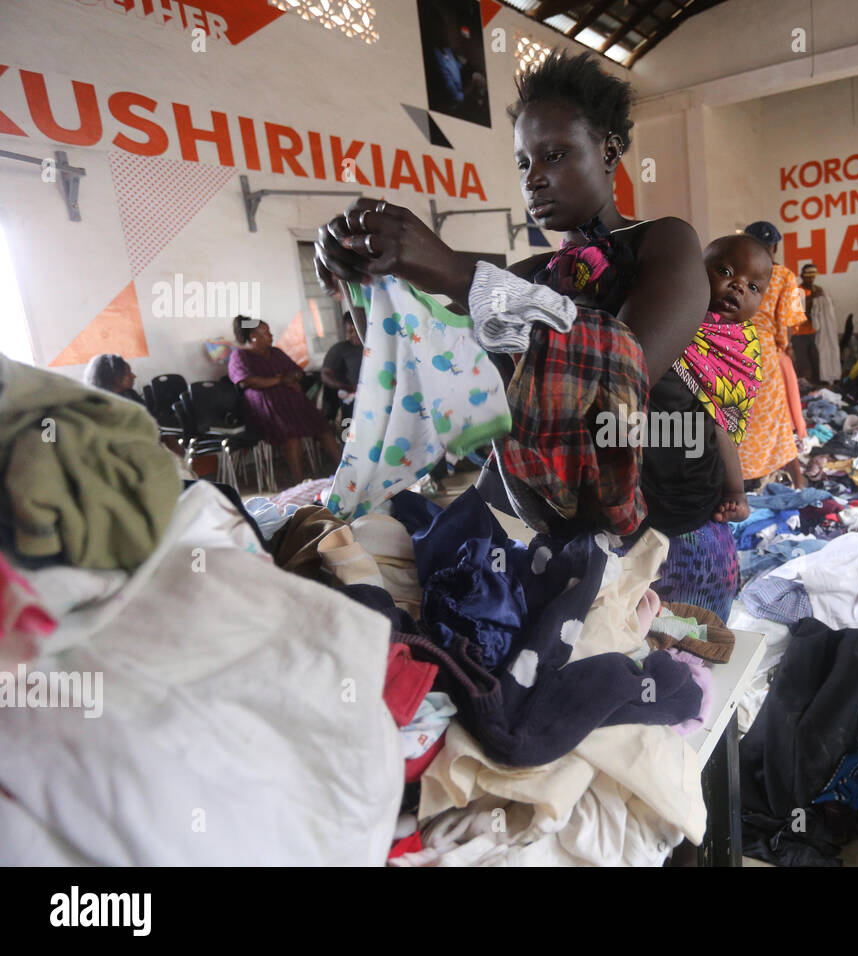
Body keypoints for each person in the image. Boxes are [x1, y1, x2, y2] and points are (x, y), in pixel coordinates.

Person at [313, 51, 742, 619]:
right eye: (522, 162)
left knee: (694, 687)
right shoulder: (526, 278)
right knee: (600, 685)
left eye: (555, 154)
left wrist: (455, 271)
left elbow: (624, 366)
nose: (533, 176)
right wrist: (367, 284)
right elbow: (427, 378)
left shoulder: (664, 243)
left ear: (610, 149)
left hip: (674, 538)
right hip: (571, 535)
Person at [676, 234, 771, 523]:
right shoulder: (678, 308)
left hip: (712, 417)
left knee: (720, 428)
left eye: (753, 286)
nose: (738, 286)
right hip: (668, 431)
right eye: (725, 272)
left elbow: (742, 380)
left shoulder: (743, 339)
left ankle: (737, 493)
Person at [227, 316, 340, 485]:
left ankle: (343, 470)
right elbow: (247, 381)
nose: (271, 336)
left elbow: (297, 372)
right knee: (291, 435)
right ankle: (300, 482)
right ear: (253, 337)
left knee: (324, 428)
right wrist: (280, 380)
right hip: (264, 408)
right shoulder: (240, 356)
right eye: (265, 333)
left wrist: (291, 378)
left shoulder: (276, 353)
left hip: (293, 403)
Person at [738, 220, 807, 489]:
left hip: (729, 348)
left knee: (734, 421)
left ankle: (740, 481)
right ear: (774, 247)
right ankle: (797, 483)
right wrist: (781, 345)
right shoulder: (783, 276)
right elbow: (786, 324)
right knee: (776, 423)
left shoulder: (732, 272)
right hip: (764, 353)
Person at [799, 262, 841, 385]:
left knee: (817, 364)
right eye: (808, 276)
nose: (811, 279)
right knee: (804, 365)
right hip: (801, 335)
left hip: (816, 333)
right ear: (802, 276)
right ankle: (805, 388)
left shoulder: (818, 289)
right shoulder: (798, 291)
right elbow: (798, 313)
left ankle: (817, 389)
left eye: (813, 276)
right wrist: (812, 298)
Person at [320, 320, 363, 425]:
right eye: (350, 331)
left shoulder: (376, 346)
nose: (354, 334)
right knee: (352, 434)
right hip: (351, 398)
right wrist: (346, 387)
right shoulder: (340, 349)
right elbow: (325, 375)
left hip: (375, 396)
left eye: (357, 330)